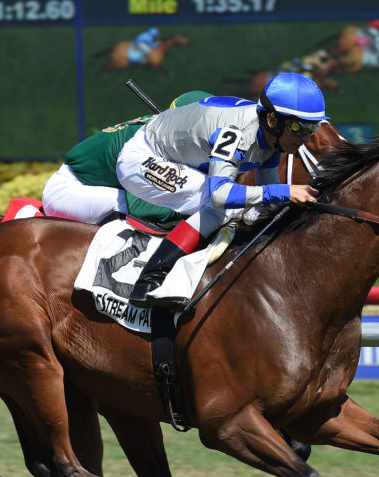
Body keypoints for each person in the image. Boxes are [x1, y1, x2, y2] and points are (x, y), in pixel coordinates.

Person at [115, 72, 329, 309]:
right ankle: (148, 282)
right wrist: (285, 192)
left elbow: (268, 198)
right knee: (220, 207)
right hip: (141, 158)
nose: (307, 138)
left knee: (243, 208)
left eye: (313, 127)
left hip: (178, 158)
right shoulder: (236, 132)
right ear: (272, 120)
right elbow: (221, 196)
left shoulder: (273, 140)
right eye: (299, 127)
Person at [41, 90, 213, 227]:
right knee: (167, 213)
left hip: (99, 182)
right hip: (69, 192)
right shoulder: (149, 145)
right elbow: (146, 205)